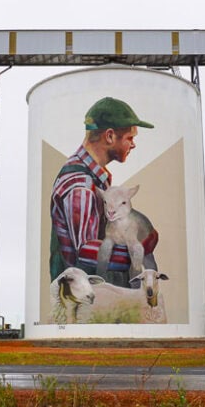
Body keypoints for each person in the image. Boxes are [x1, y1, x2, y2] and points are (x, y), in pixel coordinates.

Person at [49, 96, 158, 287]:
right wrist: (139, 249)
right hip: (84, 300)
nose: (133, 144)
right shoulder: (81, 185)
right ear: (109, 136)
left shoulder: (95, 178)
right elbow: (83, 253)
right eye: (129, 138)